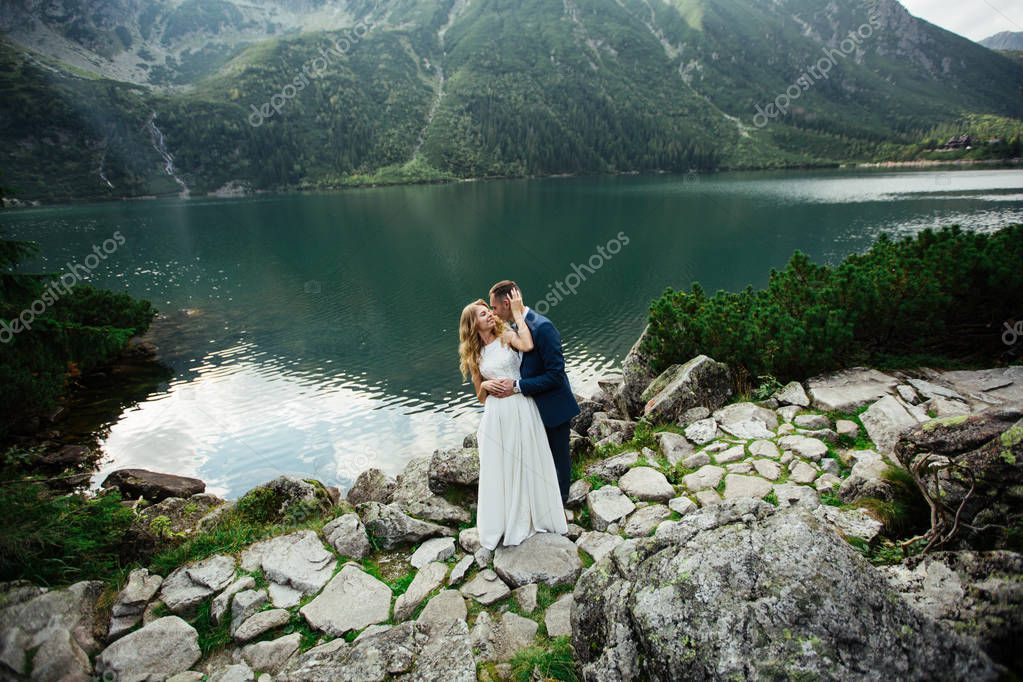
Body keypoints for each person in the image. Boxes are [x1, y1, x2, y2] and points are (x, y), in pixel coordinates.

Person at [458, 289, 568, 551]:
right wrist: (487, 383)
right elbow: (480, 397)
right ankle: (507, 520)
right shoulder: (474, 355)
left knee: (529, 459)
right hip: (497, 415)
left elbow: (527, 345)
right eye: (483, 314)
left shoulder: (506, 335)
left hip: (521, 408)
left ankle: (536, 515)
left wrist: (518, 314)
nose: (490, 315)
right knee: (502, 466)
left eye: (489, 310)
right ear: (472, 324)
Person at [487, 280, 580, 502]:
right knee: (539, 460)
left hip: (552, 408)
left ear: (507, 303)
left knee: (558, 460)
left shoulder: (542, 326)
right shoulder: (514, 328)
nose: (493, 312)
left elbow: (556, 375)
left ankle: (562, 506)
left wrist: (517, 387)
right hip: (529, 410)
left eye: (495, 307)